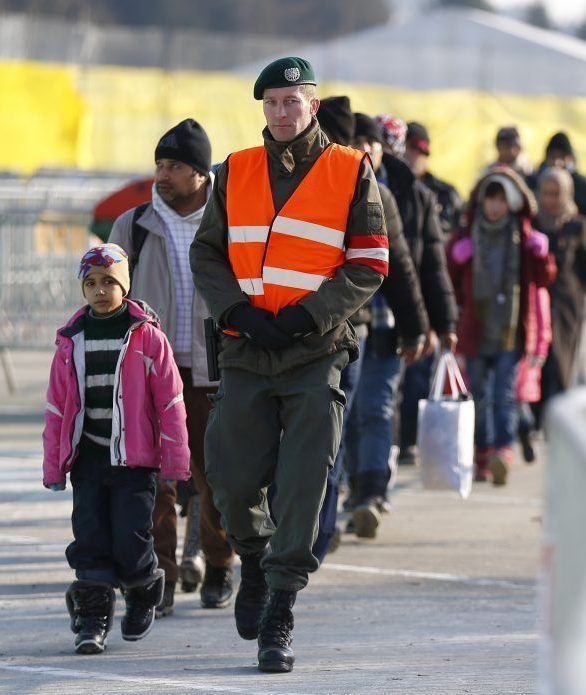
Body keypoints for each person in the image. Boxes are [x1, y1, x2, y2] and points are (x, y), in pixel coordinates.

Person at [189, 57, 388, 673]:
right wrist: (237, 313)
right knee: (230, 472)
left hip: (314, 350)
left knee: (304, 483)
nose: (280, 113)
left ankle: (281, 604)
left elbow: (370, 260)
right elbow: (208, 253)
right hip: (247, 347)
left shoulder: (350, 170)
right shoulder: (235, 170)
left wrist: (310, 315)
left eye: (291, 102)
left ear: (313, 104)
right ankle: (253, 556)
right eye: (271, 103)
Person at [110, 118, 235, 618]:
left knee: (217, 478)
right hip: (150, 377)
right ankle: (156, 575)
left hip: (213, 372)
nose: (163, 173)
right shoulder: (132, 226)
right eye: (160, 164)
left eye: (175, 165)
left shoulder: (225, 222)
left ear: (201, 173)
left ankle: (221, 565)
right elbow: (108, 299)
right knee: (151, 482)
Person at [43, 243, 190, 654]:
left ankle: (144, 588)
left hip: (135, 461)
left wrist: (176, 462)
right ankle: (92, 619)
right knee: (89, 538)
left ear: (124, 285)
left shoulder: (147, 338)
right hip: (88, 459)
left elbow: (171, 404)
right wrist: (54, 467)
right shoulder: (71, 340)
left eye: (109, 281)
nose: (100, 290)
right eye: (91, 283)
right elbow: (56, 408)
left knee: (131, 538)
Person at [314, 97, 429, 543]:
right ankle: (325, 515)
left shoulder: (381, 193)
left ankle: (363, 498)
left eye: (367, 141)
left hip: (365, 328)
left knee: (367, 414)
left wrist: (421, 325)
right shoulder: (294, 184)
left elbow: (404, 265)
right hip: (300, 328)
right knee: (325, 428)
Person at [354, 113, 458, 470]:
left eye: (372, 142)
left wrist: (443, 323)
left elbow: (430, 264)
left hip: (392, 320)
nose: (365, 149)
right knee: (348, 412)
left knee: (378, 406)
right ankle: (351, 488)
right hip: (348, 320)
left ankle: (371, 492)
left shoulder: (414, 195)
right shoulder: (336, 186)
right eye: (358, 141)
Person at [448, 168, 556, 485]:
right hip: (475, 329)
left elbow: (545, 279)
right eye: (490, 199)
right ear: (480, 202)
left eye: (501, 200)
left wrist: (542, 254)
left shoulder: (523, 235)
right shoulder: (466, 236)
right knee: (479, 395)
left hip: (512, 330)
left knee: (504, 395)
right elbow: (448, 280)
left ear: (512, 202)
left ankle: (502, 452)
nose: (495, 206)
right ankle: (482, 454)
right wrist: (455, 258)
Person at [534, 167, 586, 421]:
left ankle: (559, 421)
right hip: (537, 306)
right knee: (539, 364)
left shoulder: (577, 226)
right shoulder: (532, 224)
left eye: (557, 194)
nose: (551, 200)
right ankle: (538, 419)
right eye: (547, 193)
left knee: (560, 364)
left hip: (567, 306)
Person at [530, 131, 586, 263]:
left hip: (575, 269)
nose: (557, 162)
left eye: (562, 157)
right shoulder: (534, 183)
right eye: (552, 156)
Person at [404, 121, 464, 238]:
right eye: (403, 147)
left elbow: (454, 234)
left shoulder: (447, 194)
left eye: (413, 148)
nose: (407, 154)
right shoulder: (390, 190)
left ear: (425, 153)